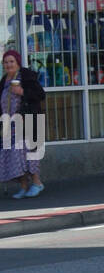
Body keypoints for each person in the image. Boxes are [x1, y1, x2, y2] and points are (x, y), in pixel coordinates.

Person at [0, 50, 45, 198]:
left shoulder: (26, 75)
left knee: (29, 154)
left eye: (11, 61)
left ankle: (37, 183)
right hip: (9, 124)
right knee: (14, 157)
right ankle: (24, 187)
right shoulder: (4, 80)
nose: (8, 64)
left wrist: (22, 91)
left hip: (27, 121)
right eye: (6, 62)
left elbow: (40, 94)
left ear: (17, 62)